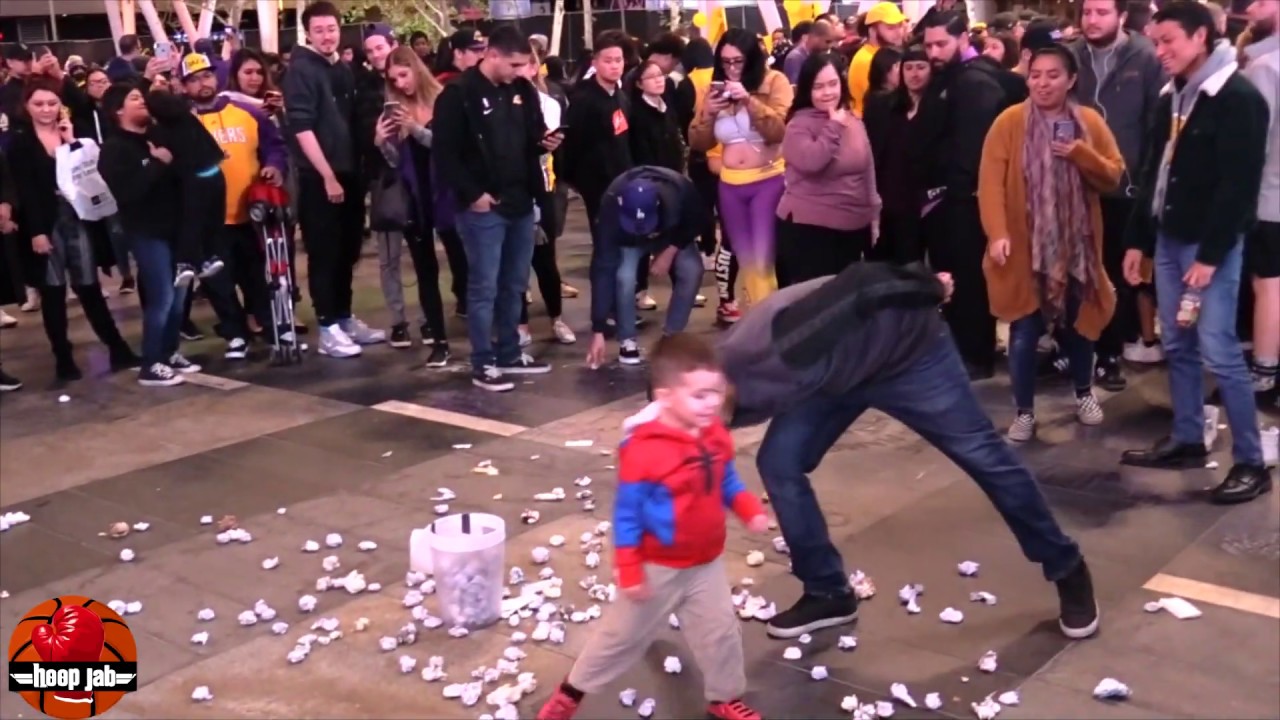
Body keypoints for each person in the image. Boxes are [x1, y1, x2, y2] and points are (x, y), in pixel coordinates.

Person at [718, 260, 1100, 641]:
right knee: (779, 462)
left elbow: (863, 285)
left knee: (984, 455)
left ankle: (1066, 567)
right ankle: (827, 592)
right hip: (838, 375)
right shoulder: (712, 400)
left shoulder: (769, 347)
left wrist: (926, 285)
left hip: (908, 354)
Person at [537, 333, 768, 720]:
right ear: (665, 397)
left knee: (721, 633)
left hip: (705, 562)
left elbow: (726, 478)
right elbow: (628, 516)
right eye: (699, 395)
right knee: (619, 637)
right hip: (655, 567)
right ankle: (570, 692)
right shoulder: (645, 452)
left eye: (716, 392)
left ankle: (723, 696)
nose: (712, 403)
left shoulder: (713, 434)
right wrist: (629, 570)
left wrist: (748, 508)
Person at [1120, 1, 1272, 503]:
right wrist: (1140, 239)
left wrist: (1210, 255)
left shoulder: (1238, 97)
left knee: (1222, 352)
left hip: (1212, 247)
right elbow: (1153, 176)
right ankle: (1188, 437)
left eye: (1169, 41)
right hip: (1169, 236)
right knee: (1178, 344)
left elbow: (1238, 188)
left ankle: (1251, 461)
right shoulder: (1175, 95)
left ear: (1202, 37)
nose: (1159, 50)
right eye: (1156, 40)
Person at [979, 45, 1125, 442]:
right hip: (1024, 247)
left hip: (1076, 245)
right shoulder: (1009, 123)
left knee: (1080, 326)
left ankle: (1083, 392)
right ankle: (1024, 411)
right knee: (1024, 332)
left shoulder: (1089, 122)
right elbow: (990, 183)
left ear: (1071, 80)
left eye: (1053, 75)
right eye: (1036, 74)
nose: (1042, 83)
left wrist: (1081, 153)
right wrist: (998, 234)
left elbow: (1113, 175)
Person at [433, 25, 562, 391]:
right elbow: (445, 153)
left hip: (521, 200)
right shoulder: (458, 94)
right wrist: (472, 194)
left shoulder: (521, 90)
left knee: (514, 283)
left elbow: (532, 138)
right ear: (492, 55)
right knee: (484, 285)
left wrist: (546, 143)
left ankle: (508, 352)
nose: (522, 71)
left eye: (525, 65)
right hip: (483, 206)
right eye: (515, 64)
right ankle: (483, 361)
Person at [8, 77, 139, 382]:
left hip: (78, 218)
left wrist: (70, 142)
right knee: (53, 293)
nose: (46, 110)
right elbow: (25, 191)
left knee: (89, 287)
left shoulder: (73, 131)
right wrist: (37, 232)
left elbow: (90, 173)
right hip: (45, 221)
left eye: (52, 103)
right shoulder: (21, 141)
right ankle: (63, 359)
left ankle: (117, 348)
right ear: (26, 106)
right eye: (38, 104)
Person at [1072, 0, 1168, 388]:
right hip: (1076, 183)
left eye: (1101, 12)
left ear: (1123, 17)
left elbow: (1155, 127)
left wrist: (1147, 184)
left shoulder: (1145, 58)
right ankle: (1076, 349)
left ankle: (1110, 352)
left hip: (1127, 187)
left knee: (1116, 273)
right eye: (1087, 12)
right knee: (1077, 271)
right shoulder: (1070, 56)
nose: (1092, 20)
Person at [284, 0, 384, 358]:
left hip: (350, 172)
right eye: (319, 30)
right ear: (307, 33)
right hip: (319, 178)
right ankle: (327, 327)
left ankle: (343, 317)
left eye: (331, 29)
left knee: (347, 251)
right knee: (325, 253)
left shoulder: (341, 69)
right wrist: (326, 175)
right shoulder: (300, 71)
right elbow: (301, 126)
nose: (326, 36)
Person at [919, 10, 1016, 380]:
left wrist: (957, 189)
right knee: (957, 278)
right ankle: (967, 350)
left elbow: (973, 148)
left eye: (941, 43)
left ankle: (975, 355)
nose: (933, 52)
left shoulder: (975, 81)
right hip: (948, 198)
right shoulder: (951, 77)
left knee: (970, 279)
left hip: (967, 199)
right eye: (928, 44)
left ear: (962, 39)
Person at [187, 52, 295, 359]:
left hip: (251, 214)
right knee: (218, 283)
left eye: (206, 76)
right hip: (210, 220)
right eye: (193, 80)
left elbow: (275, 145)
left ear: (216, 77)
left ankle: (274, 332)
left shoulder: (247, 111)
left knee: (259, 279)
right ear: (184, 87)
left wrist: (275, 167)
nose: (202, 83)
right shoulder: (184, 122)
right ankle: (235, 335)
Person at [99, 82, 199, 386]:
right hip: (146, 230)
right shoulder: (115, 148)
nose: (142, 102)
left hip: (175, 227)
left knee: (180, 295)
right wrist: (158, 163)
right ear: (118, 110)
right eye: (134, 99)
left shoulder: (157, 136)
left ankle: (169, 352)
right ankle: (151, 362)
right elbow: (128, 192)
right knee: (162, 297)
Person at [689, 28, 794, 307]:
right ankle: (757, 324)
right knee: (747, 261)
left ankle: (768, 327)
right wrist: (708, 114)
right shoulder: (714, 88)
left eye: (738, 61)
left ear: (751, 59)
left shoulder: (774, 81)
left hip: (768, 179)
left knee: (763, 260)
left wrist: (749, 100)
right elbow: (698, 142)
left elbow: (778, 131)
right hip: (730, 184)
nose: (731, 68)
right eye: (725, 62)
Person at [373, 46, 453, 365]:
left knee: (463, 266)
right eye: (394, 79)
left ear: (417, 70)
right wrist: (381, 142)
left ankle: (479, 335)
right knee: (425, 270)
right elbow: (394, 162)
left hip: (447, 194)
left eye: (404, 75)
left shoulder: (442, 100)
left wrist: (416, 128)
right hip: (415, 198)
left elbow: (446, 148)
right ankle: (439, 338)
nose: (401, 84)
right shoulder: (393, 108)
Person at [585, 167, 708, 367]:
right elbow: (602, 269)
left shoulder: (680, 191)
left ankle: (672, 337)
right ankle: (627, 340)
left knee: (692, 270)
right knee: (623, 276)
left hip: (671, 234)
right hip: (629, 240)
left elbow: (697, 222)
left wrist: (669, 252)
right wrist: (597, 329)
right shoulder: (610, 208)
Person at [776, 52, 879, 287]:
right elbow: (812, 162)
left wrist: (874, 215)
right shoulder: (797, 125)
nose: (827, 92)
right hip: (810, 230)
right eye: (819, 86)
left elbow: (867, 169)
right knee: (816, 307)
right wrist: (833, 126)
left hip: (854, 227)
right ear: (807, 90)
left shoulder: (853, 119)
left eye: (833, 84)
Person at [864, 46, 935, 266]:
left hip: (921, 204)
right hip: (886, 199)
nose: (914, 74)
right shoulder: (882, 105)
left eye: (921, 67)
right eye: (909, 68)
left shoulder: (938, 107)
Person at [1241, 0, 1278, 396]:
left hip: (1269, 198)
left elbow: (1253, 144)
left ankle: (1265, 372)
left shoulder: (1266, 68)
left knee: (1268, 286)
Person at [848, 2, 907, 116]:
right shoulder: (867, 60)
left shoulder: (885, 54)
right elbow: (882, 103)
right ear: (872, 31)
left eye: (900, 25)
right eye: (890, 28)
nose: (899, 32)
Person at [783, 19, 835, 85]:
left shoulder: (817, 56)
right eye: (827, 42)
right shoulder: (795, 58)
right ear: (815, 37)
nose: (829, 46)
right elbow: (796, 88)